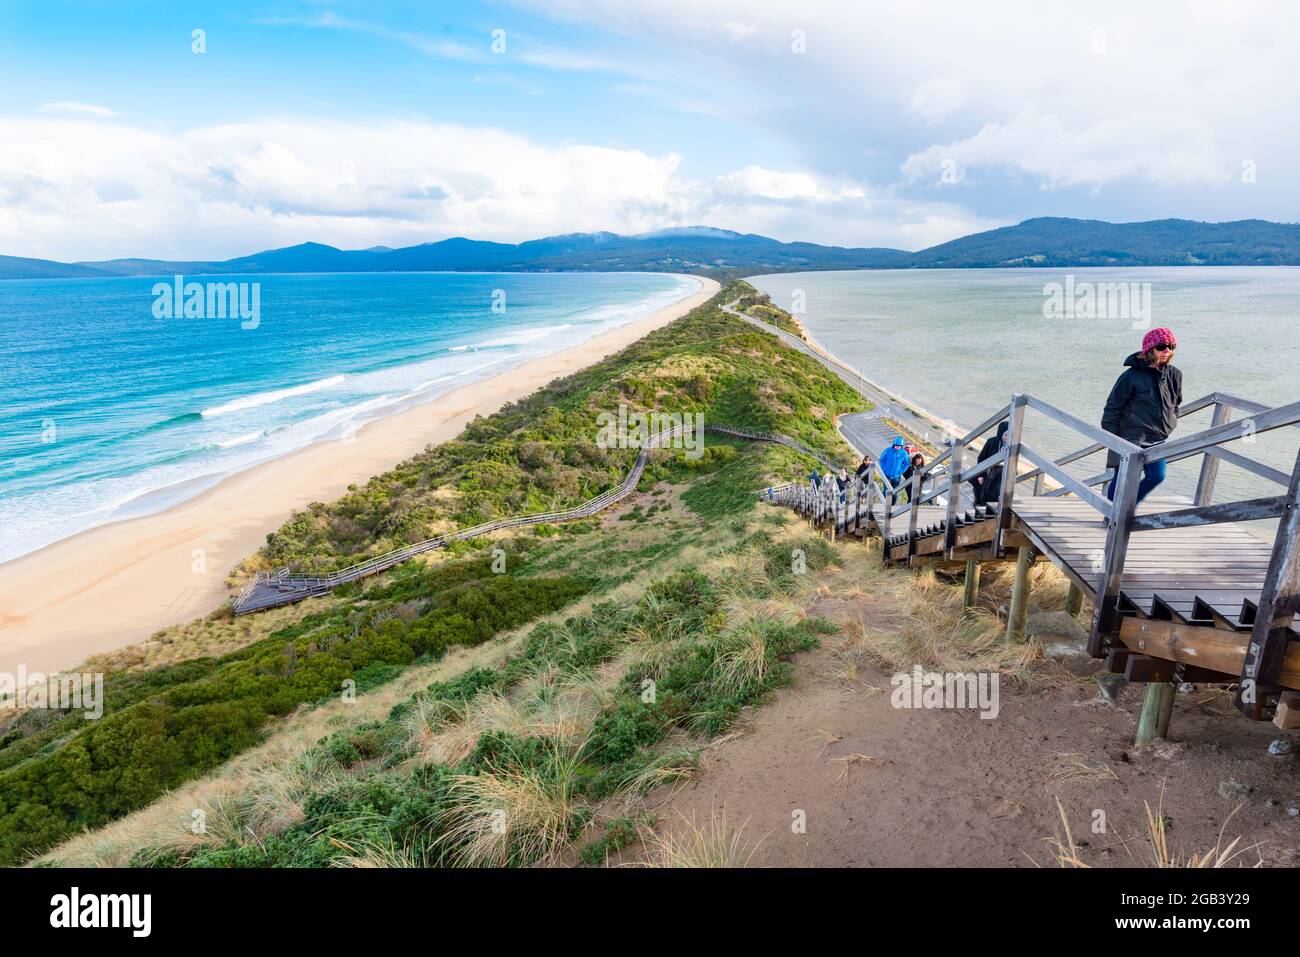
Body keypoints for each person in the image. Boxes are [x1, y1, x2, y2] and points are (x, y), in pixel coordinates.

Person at [1101, 327, 1182, 505]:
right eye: (1162, 346)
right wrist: (1113, 439)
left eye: (1171, 346)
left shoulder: (1175, 375)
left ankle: (1126, 509)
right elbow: (1112, 408)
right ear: (1150, 349)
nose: (1167, 351)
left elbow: (1176, 403)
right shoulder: (1130, 377)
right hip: (1129, 437)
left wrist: (1171, 421)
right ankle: (1112, 513)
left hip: (1158, 437)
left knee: (1157, 476)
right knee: (1122, 477)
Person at [971, 421, 1009, 506]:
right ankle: (982, 506)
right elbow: (981, 458)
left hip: (1002, 472)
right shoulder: (992, 442)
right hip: (989, 470)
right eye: (1006, 435)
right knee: (980, 488)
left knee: (996, 489)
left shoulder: (1012, 444)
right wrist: (981, 475)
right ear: (1000, 433)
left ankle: (993, 506)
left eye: (1010, 434)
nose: (1008, 437)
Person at [878, 435, 911, 507]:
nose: (898, 447)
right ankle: (884, 505)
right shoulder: (887, 450)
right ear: (894, 444)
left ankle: (892, 506)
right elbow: (881, 460)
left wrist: (900, 471)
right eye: (896, 445)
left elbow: (906, 464)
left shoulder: (904, 453)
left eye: (899, 446)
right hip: (886, 475)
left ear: (902, 446)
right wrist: (884, 469)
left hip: (896, 476)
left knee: (895, 492)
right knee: (885, 491)